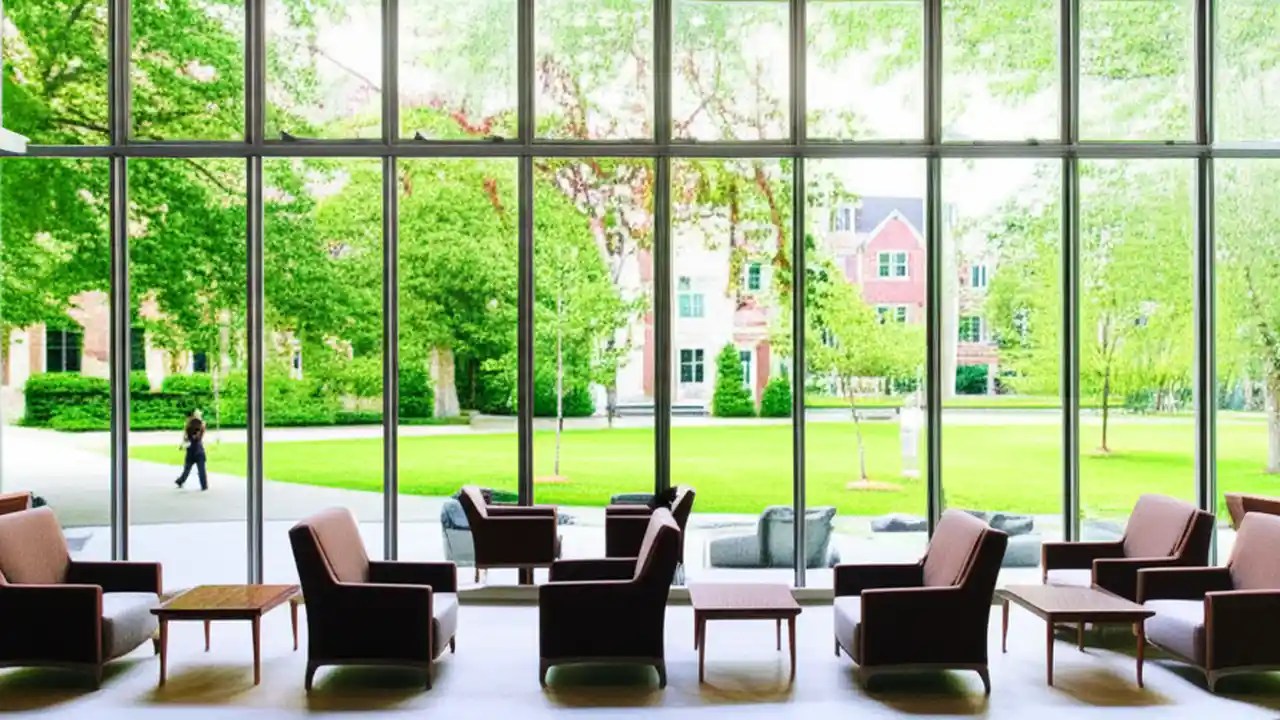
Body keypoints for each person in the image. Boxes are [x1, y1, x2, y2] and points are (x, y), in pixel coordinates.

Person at [175, 409, 208, 491]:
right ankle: (204, 485)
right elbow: (191, 436)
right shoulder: (198, 425)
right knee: (200, 469)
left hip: (192, 450)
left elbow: (189, 437)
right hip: (198, 450)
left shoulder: (193, 425)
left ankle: (181, 481)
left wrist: (183, 444)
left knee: (188, 469)